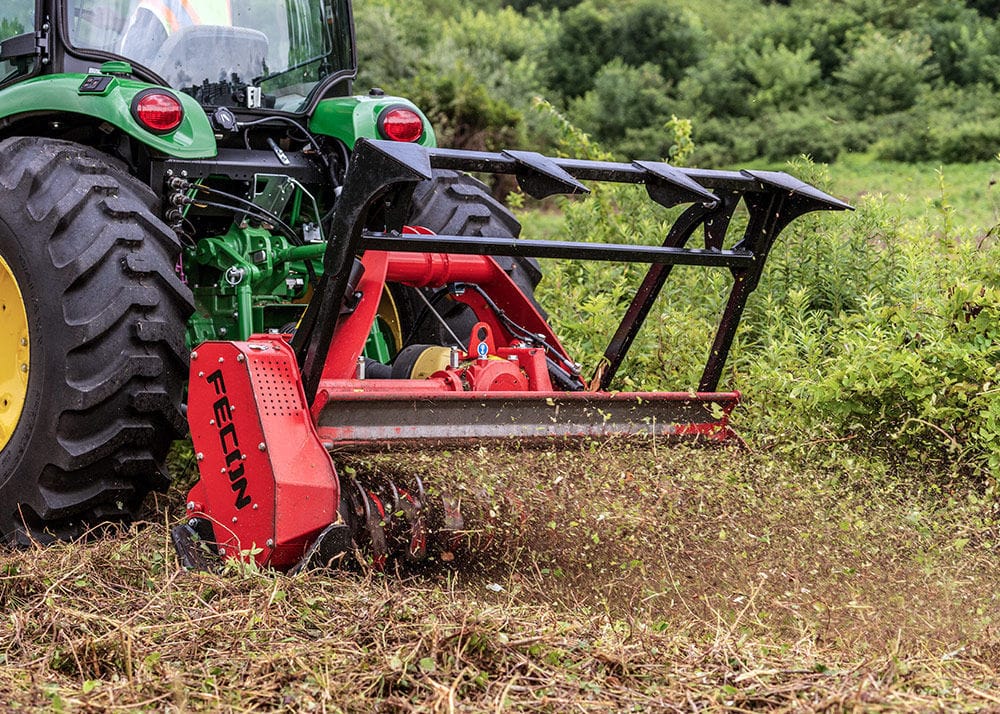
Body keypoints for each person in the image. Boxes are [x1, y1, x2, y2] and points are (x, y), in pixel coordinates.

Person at [120, 0, 231, 64]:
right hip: (223, 88)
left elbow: (132, 70)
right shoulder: (221, 4)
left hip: (176, 91)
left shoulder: (158, 4)